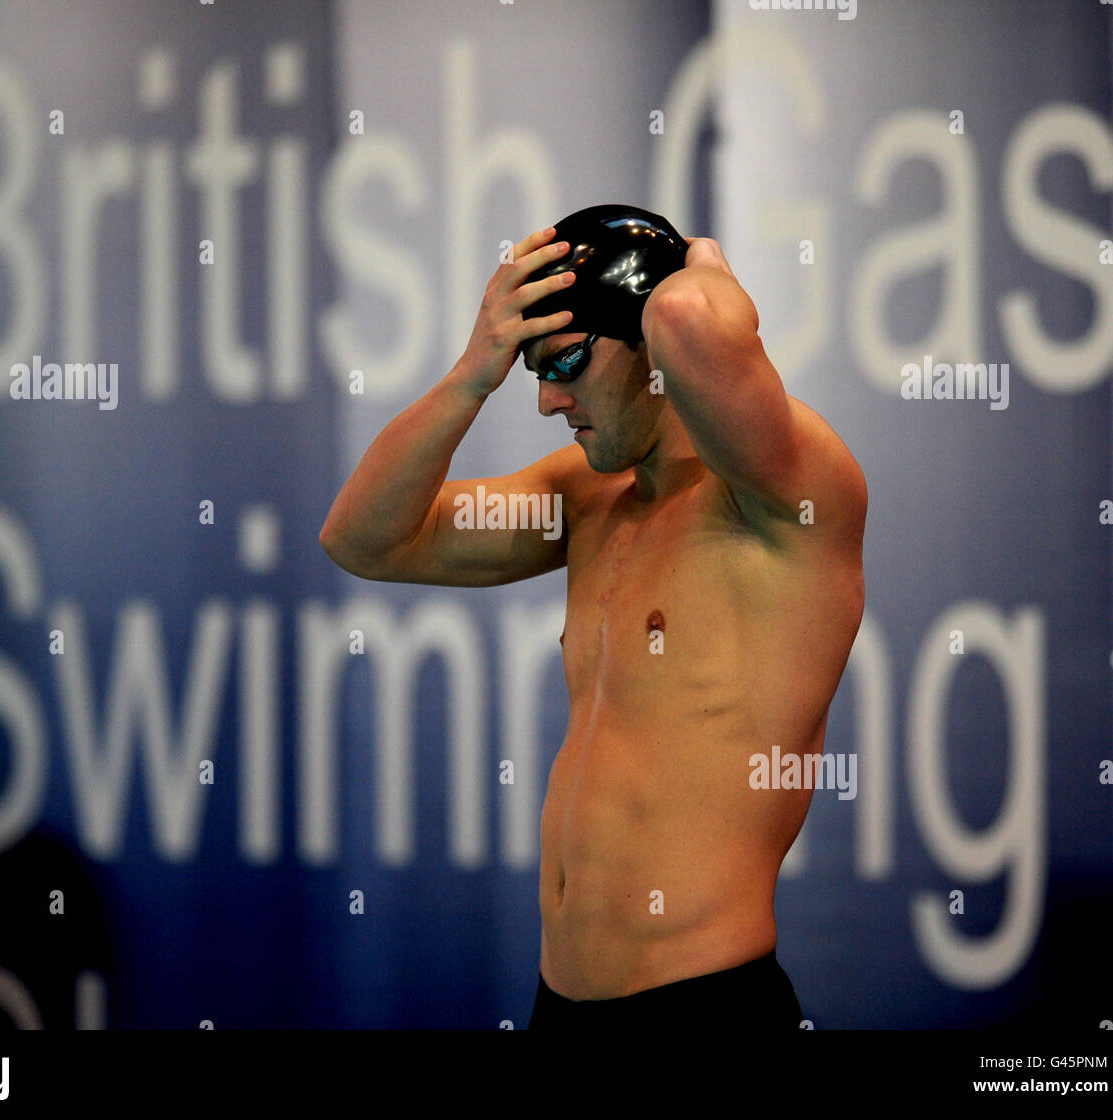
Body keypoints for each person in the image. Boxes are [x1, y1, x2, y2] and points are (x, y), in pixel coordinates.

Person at [319, 205, 866, 1029]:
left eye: (567, 362)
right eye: (537, 370)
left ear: (651, 351)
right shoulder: (585, 499)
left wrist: (703, 265)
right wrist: (473, 373)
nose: (546, 400)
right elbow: (363, 539)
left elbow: (685, 314)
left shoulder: (788, 498)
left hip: (705, 1009)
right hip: (561, 1005)